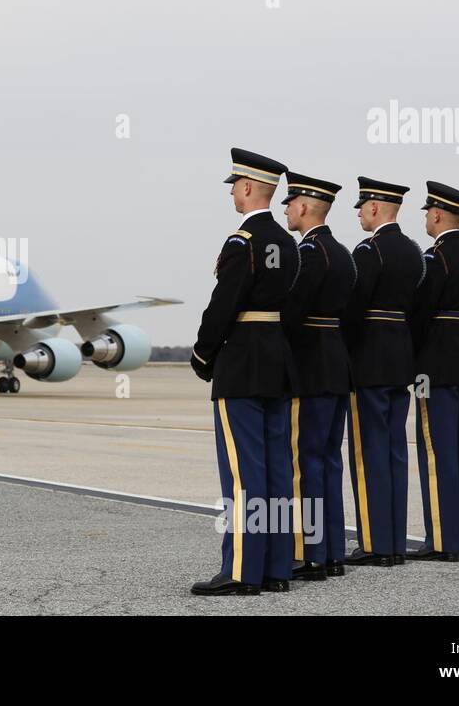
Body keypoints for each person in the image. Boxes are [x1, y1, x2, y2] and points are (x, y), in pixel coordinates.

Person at [190, 148, 299, 596]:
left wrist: (203, 353)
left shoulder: (243, 241)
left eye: (235, 184)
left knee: (243, 473)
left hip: (243, 363)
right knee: (276, 470)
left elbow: (224, 304)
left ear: (250, 187)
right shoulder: (288, 243)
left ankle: (241, 570)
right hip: (278, 359)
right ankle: (275, 568)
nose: (233, 191)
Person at [341, 177, 423, 567]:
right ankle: (393, 541)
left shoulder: (369, 249)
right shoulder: (413, 251)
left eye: (361, 206)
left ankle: (374, 544)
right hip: (400, 357)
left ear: (375, 207)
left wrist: (346, 347)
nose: (358, 212)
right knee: (394, 451)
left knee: (368, 452)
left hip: (370, 359)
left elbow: (354, 306)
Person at [279, 171, 356, 580]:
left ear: (305, 206)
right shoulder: (342, 252)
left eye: (290, 203)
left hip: (309, 367)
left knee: (304, 462)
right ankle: (331, 553)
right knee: (329, 461)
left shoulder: (309, 253)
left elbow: (293, 311)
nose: (287, 210)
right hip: (336, 365)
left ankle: (307, 552)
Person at [409, 181, 459, 562]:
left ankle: (442, 540)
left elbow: (420, 313)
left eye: (428, 212)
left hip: (436, 364)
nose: (426, 217)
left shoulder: (433, 258)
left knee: (437, 452)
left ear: (438, 214)